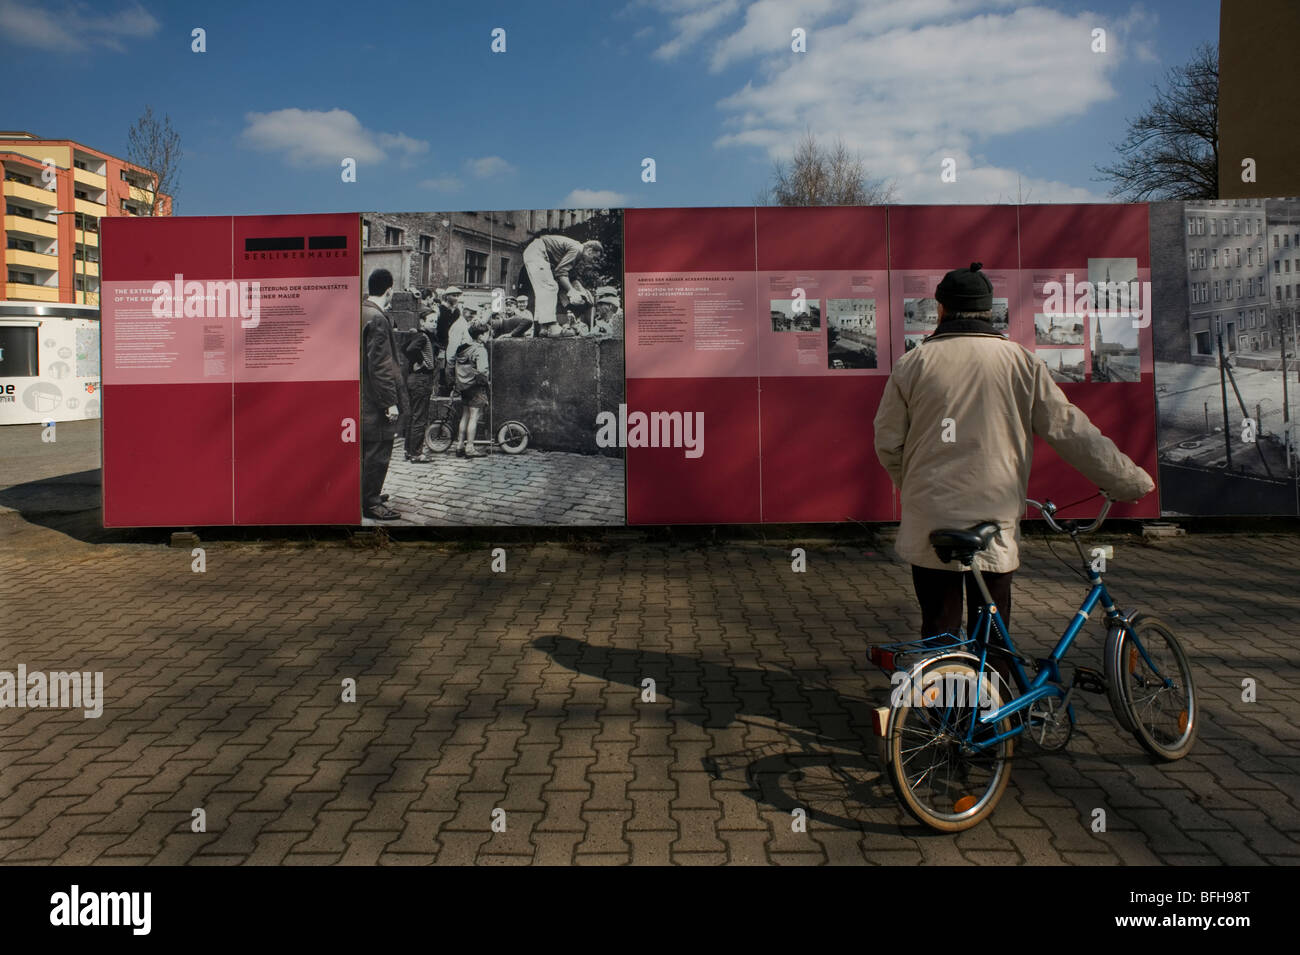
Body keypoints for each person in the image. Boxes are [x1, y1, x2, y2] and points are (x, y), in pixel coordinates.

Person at [873, 261, 1154, 687]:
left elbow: (888, 443)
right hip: (994, 515)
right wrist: (1126, 480)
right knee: (992, 628)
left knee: (939, 626)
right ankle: (997, 717)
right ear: (989, 311)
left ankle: (943, 719)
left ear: (941, 310)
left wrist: (914, 488)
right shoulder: (1020, 362)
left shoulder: (913, 364)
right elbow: (1069, 430)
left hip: (930, 517)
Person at [361, 268, 408, 521]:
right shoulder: (378, 318)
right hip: (375, 400)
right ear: (389, 290)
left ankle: (367, 494)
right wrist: (390, 403)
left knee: (365, 452)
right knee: (378, 452)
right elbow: (380, 365)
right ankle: (370, 502)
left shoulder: (361, 311)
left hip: (362, 397)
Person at [521, 235, 602, 336]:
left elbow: (570, 277)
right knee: (550, 287)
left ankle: (543, 328)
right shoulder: (577, 250)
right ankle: (551, 325)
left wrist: (580, 290)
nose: (594, 262)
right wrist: (572, 292)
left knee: (542, 291)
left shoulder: (576, 253)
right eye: (595, 258)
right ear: (589, 251)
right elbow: (560, 273)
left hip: (536, 252)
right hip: (538, 252)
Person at [401, 308, 439, 463]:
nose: (434, 324)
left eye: (436, 321)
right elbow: (409, 349)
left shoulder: (418, 334)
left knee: (414, 416)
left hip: (414, 380)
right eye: (431, 321)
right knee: (420, 418)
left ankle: (409, 451)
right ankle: (416, 454)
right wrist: (421, 362)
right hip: (421, 380)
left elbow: (403, 347)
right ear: (422, 322)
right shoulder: (423, 336)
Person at [453, 321, 492, 458]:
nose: (488, 336)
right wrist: (486, 382)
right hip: (475, 386)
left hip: (463, 386)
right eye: (487, 333)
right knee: (474, 416)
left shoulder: (462, 348)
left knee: (465, 415)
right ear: (480, 335)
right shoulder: (480, 350)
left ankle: (459, 446)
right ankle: (470, 448)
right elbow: (482, 371)